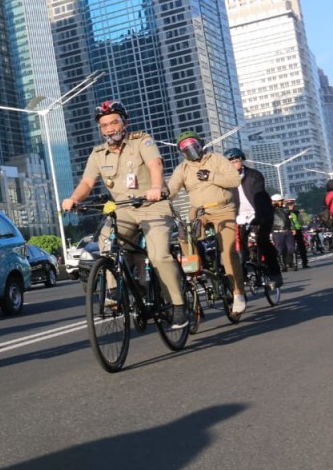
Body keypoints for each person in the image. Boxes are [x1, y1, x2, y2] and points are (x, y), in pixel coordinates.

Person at [61, 100, 186, 328]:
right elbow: (87, 182)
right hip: (123, 209)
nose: (109, 128)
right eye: (104, 125)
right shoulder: (98, 154)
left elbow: (155, 164)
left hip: (152, 207)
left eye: (114, 123)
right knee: (106, 242)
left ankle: (177, 304)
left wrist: (156, 188)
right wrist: (74, 199)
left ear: (124, 123)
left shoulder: (141, 141)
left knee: (159, 255)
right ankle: (116, 289)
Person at [167, 132, 246, 314]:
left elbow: (234, 179)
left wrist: (211, 177)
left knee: (228, 252)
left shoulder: (216, 159)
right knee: (184, 236)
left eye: (192, 145)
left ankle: (238, 293)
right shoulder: (182, 169)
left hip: (222, 209)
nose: (190, 150)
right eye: (184, 148)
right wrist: (161, 194)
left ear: (200, 144)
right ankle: (194, 274)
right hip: (199, 212)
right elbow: (172, 189)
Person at [226, 148, 282, 288]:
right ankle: (242, 276)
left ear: (242, 160)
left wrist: (259, 216)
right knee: (238, 246)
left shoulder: (254, 175)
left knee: (262, 241)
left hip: (261, 213)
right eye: (231, 161)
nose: (234, 163)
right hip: (240, 216)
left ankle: (275, 274)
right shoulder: (227, 181)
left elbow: (259, 197)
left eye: (236, 160)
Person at [270, 194, 295, 272]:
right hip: (277, 232)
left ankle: (290, 263)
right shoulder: (270, 210)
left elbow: (290, 220)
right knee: (280, 250)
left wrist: (293, 228)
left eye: (282, 201)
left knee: (291, 248)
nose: (282, 202)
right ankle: (283, 265)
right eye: (281, 201)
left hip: (287, 231)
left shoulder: (285, 210)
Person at [285, 198, 309, 269]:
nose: (291, 206)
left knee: (302, 247)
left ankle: (305, 263)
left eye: (292, 204)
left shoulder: (297, 212)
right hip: (289, 231)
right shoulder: (285, 213)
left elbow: (301, 221)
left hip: (298, 230)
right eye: (289, 205)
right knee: (289, 248)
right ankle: (290, 264)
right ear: (287, 205)